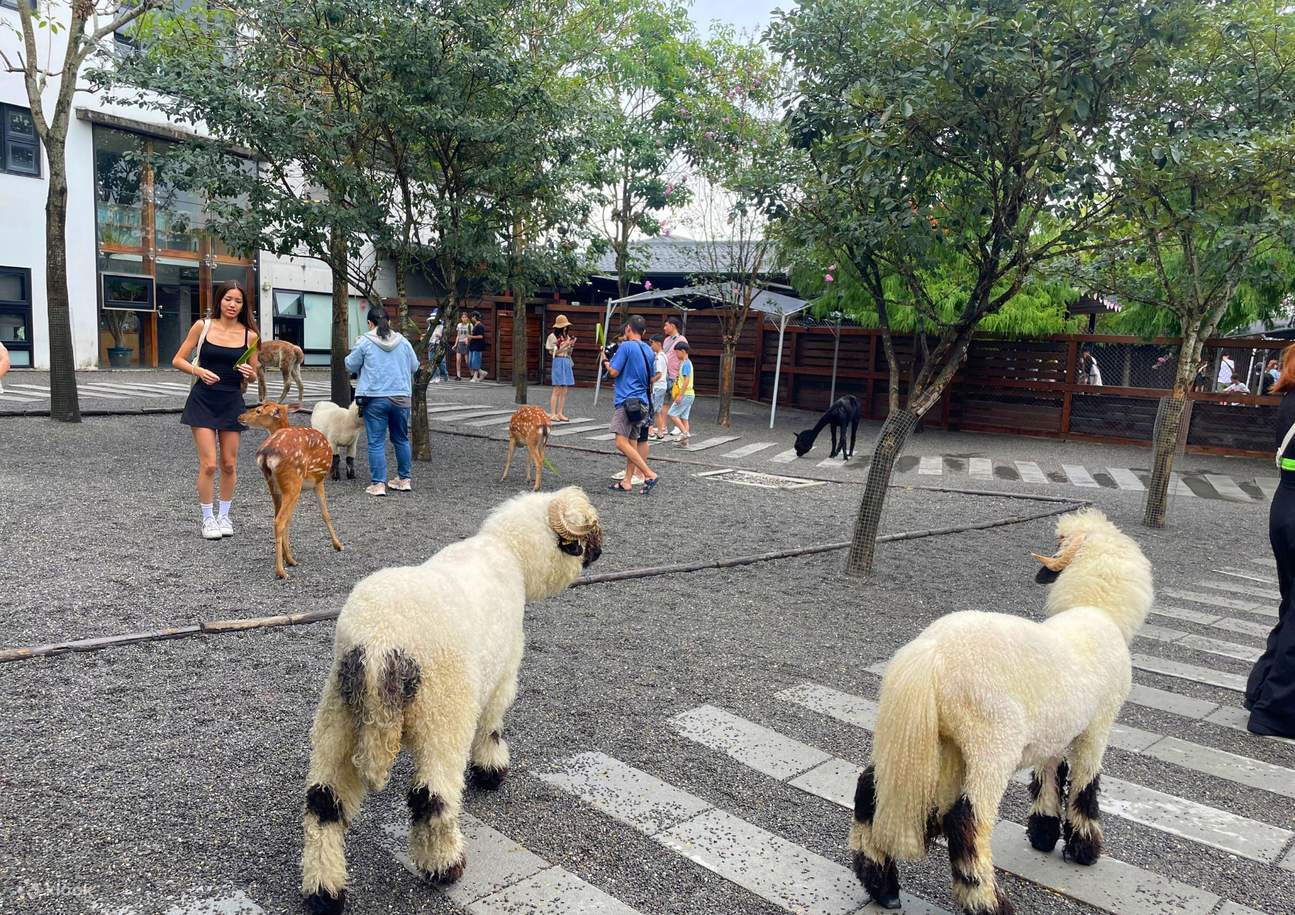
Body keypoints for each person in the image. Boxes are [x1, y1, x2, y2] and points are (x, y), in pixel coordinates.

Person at [173, 281, 259, 540]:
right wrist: (198, 370)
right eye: (228, 299)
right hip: (203, 399)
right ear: (219, 301)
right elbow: (177, 359)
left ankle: (224, 515)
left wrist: (250, 373)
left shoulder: (250, 336)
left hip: (231, 400)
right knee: (209, 464)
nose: (232, 305)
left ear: (244, 306)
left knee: (229, 464)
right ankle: (207, 518)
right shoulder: (203, 326)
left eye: (238, 301)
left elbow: (254, 375)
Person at [1246, 343, 1295, 739]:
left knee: (1291, 605)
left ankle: (1261, 689)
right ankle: (1275, 709)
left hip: (1285, 503)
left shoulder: (1288, 401)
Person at [345, 306, 420, 497]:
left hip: (375, 398)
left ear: (370, 323)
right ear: (389, 321)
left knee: (376, 442)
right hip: (402, 398)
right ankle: (404, 480)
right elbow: (415, 366)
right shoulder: (403, 342)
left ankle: (378, 484)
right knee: (401, 439)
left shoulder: (365, 341)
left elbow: (350, 365)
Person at [600, 314, 659, 495]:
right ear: (644, 332)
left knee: (620, 442)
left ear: (628, 329)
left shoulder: (626, 347)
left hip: (627, 400)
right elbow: (651, 376)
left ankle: (649, 474)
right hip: (642, 401)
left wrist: (605, 361)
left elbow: (615, 372)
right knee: (632, 442)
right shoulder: (649, 350)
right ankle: (627, 481)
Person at [657, 316, 688, 438]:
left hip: (676, 375)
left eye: (666, 325)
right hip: (666, 374)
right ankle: (663, 426)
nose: (664, 328)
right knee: (665, 402)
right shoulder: (666, 340)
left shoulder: (682, 340)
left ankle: (678, 427)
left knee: (677, 401)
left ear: (673, 326)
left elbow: (683, 358)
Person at [545, 315, 576, 421]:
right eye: (564, 326)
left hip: (566, 361)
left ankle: (560, 413)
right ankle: (552, 413)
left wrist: (571, 345)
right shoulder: (552, 337)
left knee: (564, 389)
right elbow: (552, 352)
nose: (565, 328)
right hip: (558, 361)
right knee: (557, 388)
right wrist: (564, 345)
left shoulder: (566, 337)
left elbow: (569, 352)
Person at [668, 341, 695, 443]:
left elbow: (686, 380)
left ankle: (684, 433)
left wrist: (680, 395)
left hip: (685, 394)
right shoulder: (686, 362)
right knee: (684, 418)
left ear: (683, 351)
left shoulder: (686, 363)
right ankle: (685, 442)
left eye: (677, 352)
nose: (676, 355)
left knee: (672, 413)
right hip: (689, 394)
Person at [648, 335, 668, 440]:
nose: (651, 345)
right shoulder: (663, 355)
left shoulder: (659, 357)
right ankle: (659, 431)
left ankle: (657, 431)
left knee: (654, 410)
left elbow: (659, 374)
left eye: (652, 343)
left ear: (658, 343)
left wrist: (650, 381)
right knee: (656, 410)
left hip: (658, 386)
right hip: (661, 386)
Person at [468, 310, 488, 382]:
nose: (471, 318)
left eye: (472, 317)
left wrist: (471, 337)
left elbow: (480, 336)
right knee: (471, 361)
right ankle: (482, 373)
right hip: (472, 345)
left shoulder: (480, 326)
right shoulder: (475, 325)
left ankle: (475, 377)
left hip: (478, 346)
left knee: (475, 361)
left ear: (474, 317)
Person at [428, 317, 448, 384]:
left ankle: (445, 374)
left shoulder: (441, 327)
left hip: (439, 345)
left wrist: (439, 335)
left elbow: (444, 337)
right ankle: (435, 377)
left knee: (441, 362)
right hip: (431, 344)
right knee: (431, 361)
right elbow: (429, 336)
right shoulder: (430, 327)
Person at [453, 311, 471, 380]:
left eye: (465, 317)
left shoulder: (469, 325)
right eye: (463, 317)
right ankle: (458, 375)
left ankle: (472, 374)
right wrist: (455, 344)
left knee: (467, 361)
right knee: (458, 360)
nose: (464, 318)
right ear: (461, 318)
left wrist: (468, 339)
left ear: (467, 318)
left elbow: (470, 335)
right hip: (460, 343)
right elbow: (458, 335)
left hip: (466, 343)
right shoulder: (459, 325)